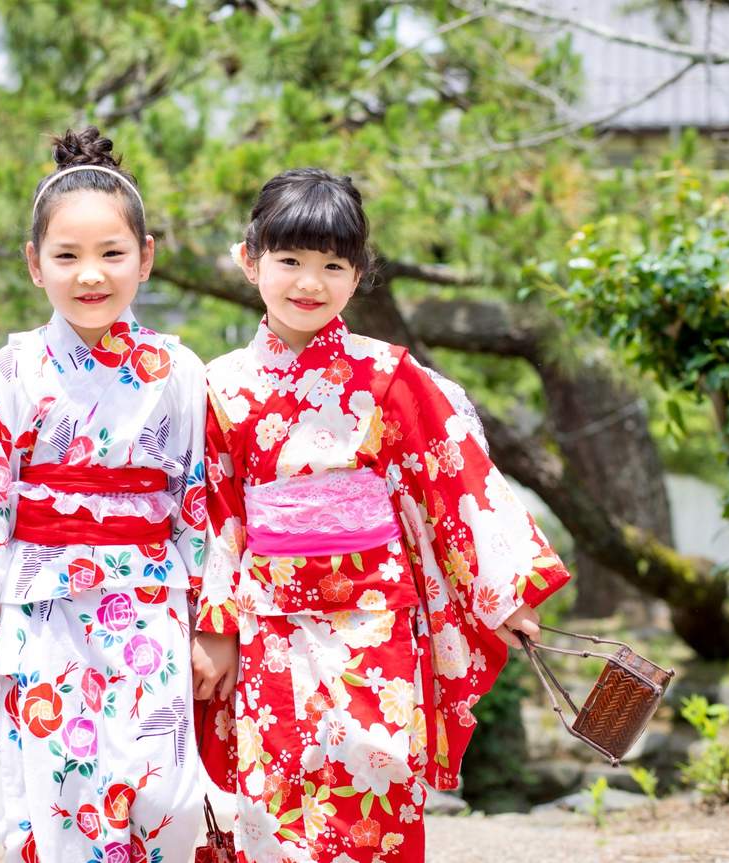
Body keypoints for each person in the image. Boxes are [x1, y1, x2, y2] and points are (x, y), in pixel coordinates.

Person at [190, 168, 572, 863]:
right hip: (270, 627)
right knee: (270, 803)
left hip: (374, 628)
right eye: (289, 260)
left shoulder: (388, 375)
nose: (309, 282)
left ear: (359, 273)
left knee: (374, 795)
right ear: (250, 261)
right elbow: (218, 513)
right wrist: (214, 628)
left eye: (332, 264)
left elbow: (451, 476)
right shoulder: (218, 385)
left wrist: (506, 591)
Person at [0, 126, 207, 863]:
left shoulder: (179, 372)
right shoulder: (7, 374)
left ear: (145, 258)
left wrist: (213, 623)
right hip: (38, 605)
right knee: (53, 785)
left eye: (112, 253)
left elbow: (201, 501)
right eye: (67, 255)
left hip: (150, 600)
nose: (91, 274)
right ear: (33, 264)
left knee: (161, 787)